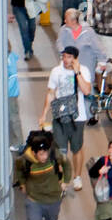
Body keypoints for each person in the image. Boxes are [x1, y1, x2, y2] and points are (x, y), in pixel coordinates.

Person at [37, 45, 92, 189]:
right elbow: (51, 93)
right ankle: (62, 179)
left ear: (75, 59)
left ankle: (77, 177)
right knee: (60, 150)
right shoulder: (56, 71)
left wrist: (77, 72)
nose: (66, 60)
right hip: (60, 117)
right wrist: (43, 114)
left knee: (76, 148)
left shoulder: (83, 70)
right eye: (64, 56)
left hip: (77, 117)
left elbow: (86, 91)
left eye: (69, 57)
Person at [14, 131, 70, 220]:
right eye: (41, 154)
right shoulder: (25, 160)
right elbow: (19, 169)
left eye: (46, 152)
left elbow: (67, 164)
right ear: (34, 153)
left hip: (53, 200)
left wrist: (65, 181)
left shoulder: (54, 155)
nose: (44, 156)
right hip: (34, 202)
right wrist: (22, 184)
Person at [58, 9, 109, 87]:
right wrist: (64, 54)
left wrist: (102, 61)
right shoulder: (63, 30)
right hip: (69, 68)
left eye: (66, 19)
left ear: (74, 21)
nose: (64, 21)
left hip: (85, 68)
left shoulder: (88, 32)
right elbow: (59, 43)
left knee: (86, 91)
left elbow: (98, 47)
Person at [7, 41, 21, 150]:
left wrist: (5, 91)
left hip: (10, 93)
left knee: (13, 117)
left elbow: (12, 76)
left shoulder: (9, 58)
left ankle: (18, 141)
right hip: (10, 92)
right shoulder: (9, 57)